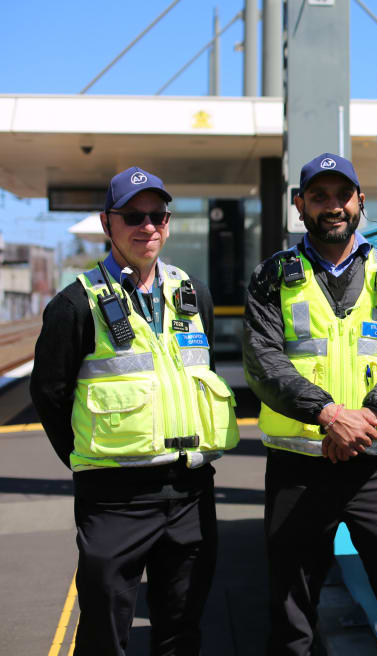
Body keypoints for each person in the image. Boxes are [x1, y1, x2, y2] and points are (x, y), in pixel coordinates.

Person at [243, 152, 377, 655]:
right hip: (300, 467)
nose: (332, 206)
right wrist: (329, 416)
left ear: (360, 202)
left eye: (342, 196)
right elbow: (263, 363)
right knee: (292, 614)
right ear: (300, 205)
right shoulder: (272, 277)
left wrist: (367, 418)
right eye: (319, 197)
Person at [30, 166, 239, 655]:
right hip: (115, 499)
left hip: (190, 492)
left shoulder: (193, 294)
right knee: (105, 634)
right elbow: (50, 394)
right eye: (133, 216)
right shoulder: (74, 305)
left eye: (157, 215)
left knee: (181, 632)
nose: (147, 226)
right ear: (108, 223)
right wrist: (92, 456)